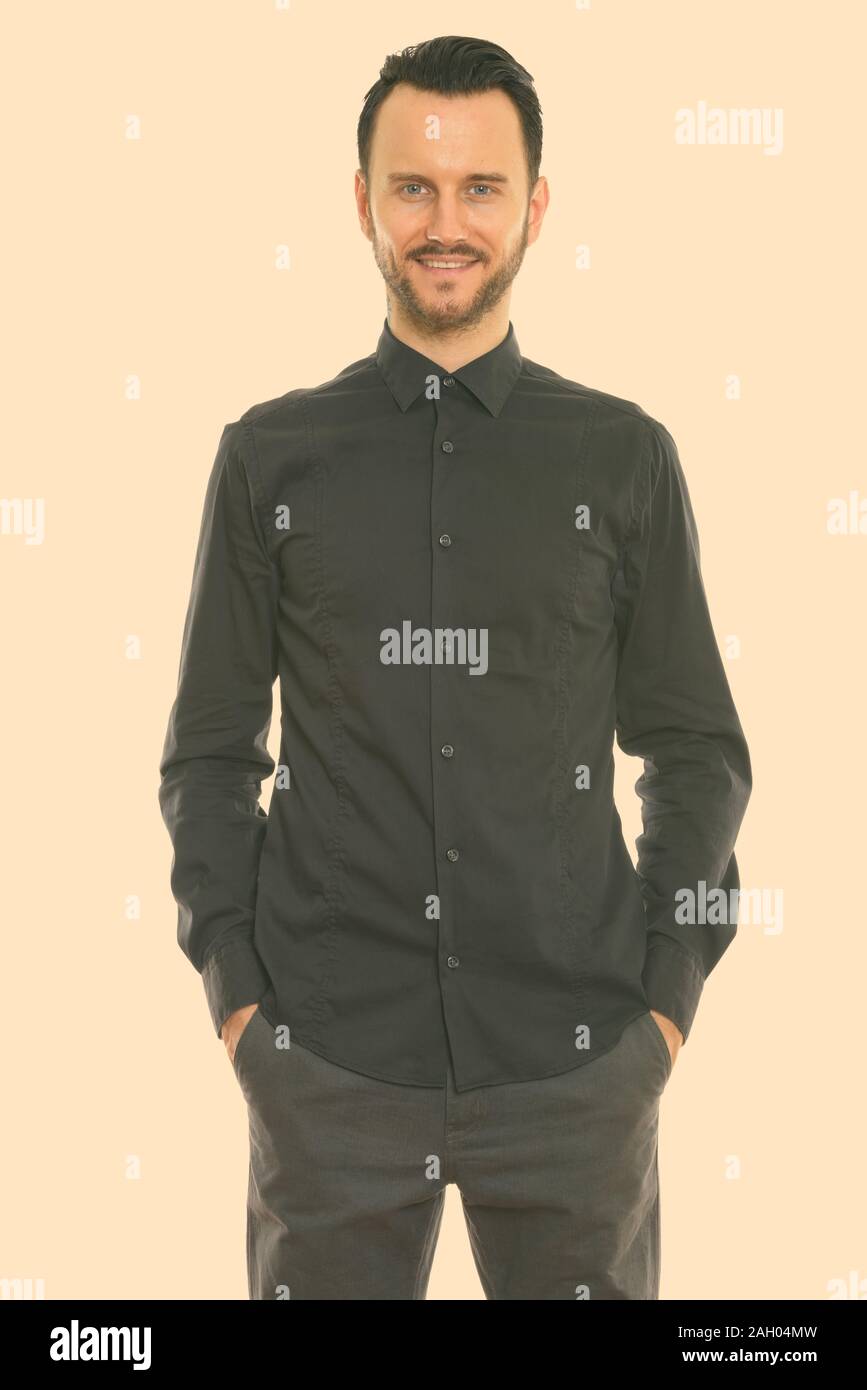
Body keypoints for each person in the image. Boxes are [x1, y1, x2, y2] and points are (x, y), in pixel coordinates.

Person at [158, 34, 752, 1300]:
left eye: (482, 187)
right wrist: (241, 1005)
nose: (446, 223)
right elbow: (210, 756)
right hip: (327, 1070)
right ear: (362, 201)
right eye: (413, 187)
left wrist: (661, 1008)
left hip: (576, 1069)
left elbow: (697, 750)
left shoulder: (621, 458)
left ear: (535, 206)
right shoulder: (269, 459)